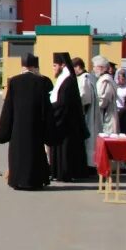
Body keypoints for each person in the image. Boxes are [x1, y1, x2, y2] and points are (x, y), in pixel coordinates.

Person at [0, 53, 54, 190]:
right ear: (35, 67)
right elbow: (47, 108)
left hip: (18, 127)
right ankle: (35, 181)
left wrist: (4, 131)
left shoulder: (14, 81)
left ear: (22, 66)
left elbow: (8, 108)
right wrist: (49, 130)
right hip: (35, 126)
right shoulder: (42, 81)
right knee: (35, 153)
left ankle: (16, 180)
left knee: (18, 153)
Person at [49, 51, 89, 182]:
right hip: (66, 120)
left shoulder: (67, 81)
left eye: (54, 65)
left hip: (66, 123)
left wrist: (51, 110)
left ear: (61, 65)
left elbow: (63, 103)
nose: (53, 69)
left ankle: (64, 173)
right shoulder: (65, 79)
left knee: (66, 149)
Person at [71, 57, 97, 167]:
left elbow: (84, 98)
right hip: (88, 113)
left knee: (88, 142)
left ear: (78, 67)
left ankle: (87, 165)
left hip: (86, 114)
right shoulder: (89, 77)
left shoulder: (84, 78)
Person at [91, 55, 119, 136]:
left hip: (107, 118)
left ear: (101, 67)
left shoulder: (105, 80)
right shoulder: (102, 79)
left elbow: (103, 102)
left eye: (94, 67)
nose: (93, 69)